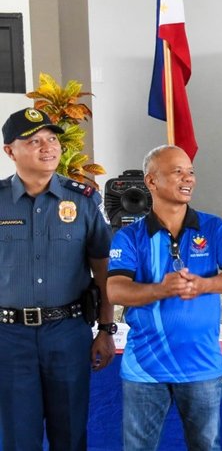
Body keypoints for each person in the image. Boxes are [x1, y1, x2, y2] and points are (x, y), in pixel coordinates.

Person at [107, 144, 222, 450]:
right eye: (177, 171)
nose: (188, 178)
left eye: (191, 171)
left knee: (206, 446)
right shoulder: (129, 236)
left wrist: (203, 286)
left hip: (202, 365)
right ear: (151, 181)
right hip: (144, 368)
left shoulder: (213, 227)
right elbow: (116, 290)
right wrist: (162, 289)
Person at [0, 107, 115, 451]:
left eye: (51, 139)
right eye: (34, 141)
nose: (47, 147)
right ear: (10, 151)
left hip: (67, 334)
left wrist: (106, 330)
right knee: (19, 440)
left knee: (70, 436)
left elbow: (104, 269)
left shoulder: (83, 199)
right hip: (9, 339)